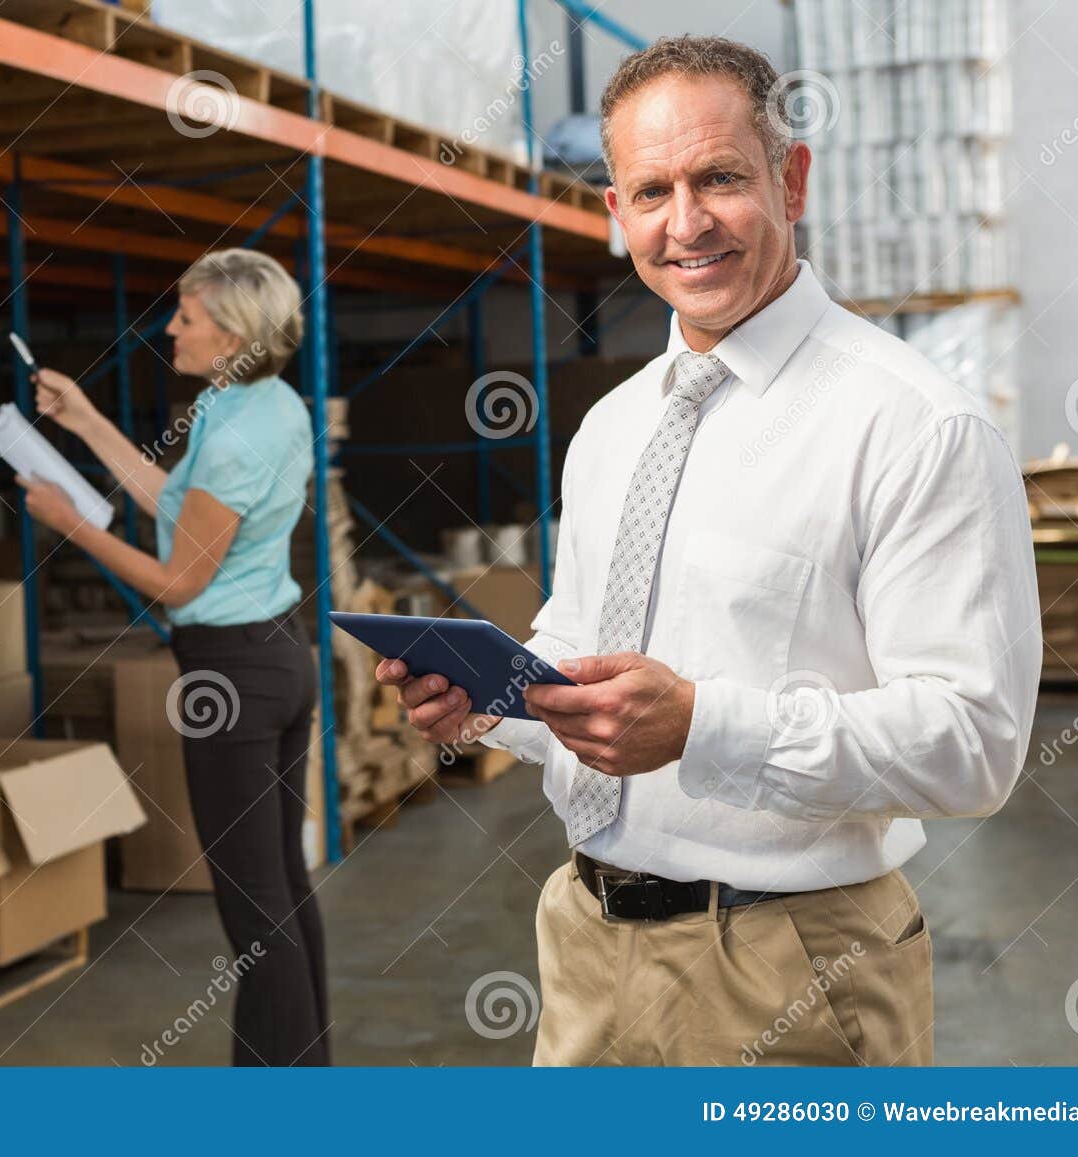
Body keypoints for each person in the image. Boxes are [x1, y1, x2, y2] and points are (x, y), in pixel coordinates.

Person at [377, 36, 1040, 1066]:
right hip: (584, 944)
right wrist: (493, 701)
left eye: (719, 178)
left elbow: (974, 744)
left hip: (791, 967)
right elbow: (581, 657)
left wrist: (701, 725)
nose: (684, 223)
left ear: (791, 180)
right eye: (651, 192)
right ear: (617, 213)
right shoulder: (612, 427)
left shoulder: (915, 427)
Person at [18, 248, 329, 1067]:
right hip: (277, 655)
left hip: (233, 675)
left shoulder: (233, 436)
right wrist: (85, 420)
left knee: (255, 915)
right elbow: (178, 506)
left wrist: (70, 522)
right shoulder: (263, 402)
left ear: (230, 335)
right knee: (282, 890)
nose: (169, 329)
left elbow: (179, 580)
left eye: (186, 317)